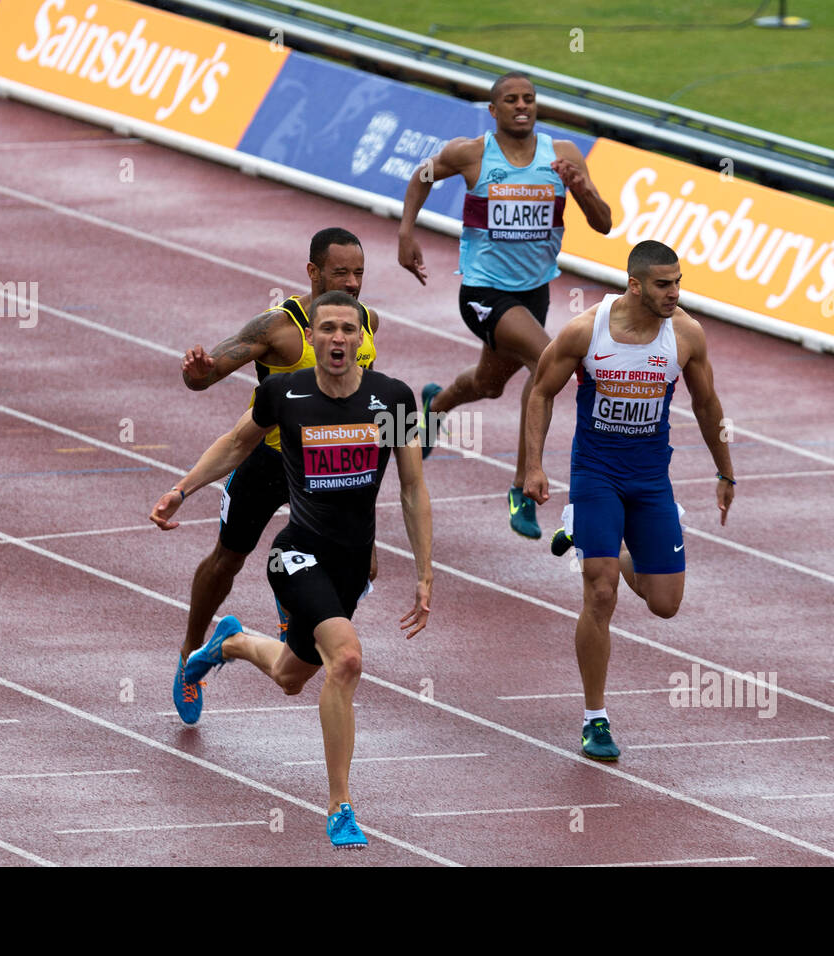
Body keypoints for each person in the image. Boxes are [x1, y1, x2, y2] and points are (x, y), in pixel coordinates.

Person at [150, 292, 433, 849]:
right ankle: (340, 806)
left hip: (349, 567)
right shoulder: (283, 393)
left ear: (361, 339)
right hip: (296, 553)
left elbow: (413, 486)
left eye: (346, 330)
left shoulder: (393, 398)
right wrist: (182, 490)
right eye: (326, 329)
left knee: (289, 677)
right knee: (347, 659)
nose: (336, 338)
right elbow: (236, 444)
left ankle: (226, 643)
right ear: (314, 338)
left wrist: (424, 573)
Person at [523, 240, 735, 761]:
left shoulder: (685, 334)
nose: (675, 293)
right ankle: (595, 718)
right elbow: (541, 390)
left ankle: (599, 546)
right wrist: (532, 465)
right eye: (664, 284)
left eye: (679, 282)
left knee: (665, 605)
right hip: (596, 474)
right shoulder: (586, 331)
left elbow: (707, 403)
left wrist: (725, 470)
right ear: (635, 285)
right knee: (600, 594)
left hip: (649, 481)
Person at [173, 228, 381, 725]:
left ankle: (293, 604)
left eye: (358, 273)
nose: (351, 283)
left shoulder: (366, 323)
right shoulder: (279, 328)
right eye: (340, 273)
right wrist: (198, 369)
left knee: (361, 568)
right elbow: (204, 376)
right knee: (226, 562)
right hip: (267, 463)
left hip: (326, 467)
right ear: (313, 273)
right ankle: (190, 652)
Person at [398, 71, 612, 540]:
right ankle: (524, 483)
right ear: (493, 111)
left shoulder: (564, 156)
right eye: (511, 100)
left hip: (534, 292)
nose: (522, 106)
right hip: (482, 292)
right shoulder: (470, 153)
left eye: (530, 99)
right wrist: (406, 231)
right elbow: (422, 175)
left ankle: (436, 404)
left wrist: (581, 188)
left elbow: (604, 224)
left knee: (489, 384)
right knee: (548, 361)